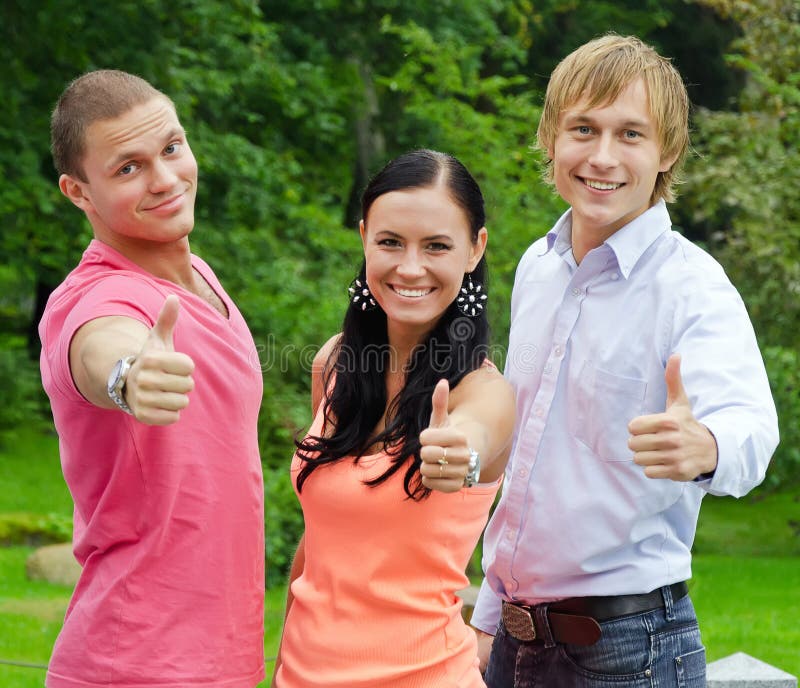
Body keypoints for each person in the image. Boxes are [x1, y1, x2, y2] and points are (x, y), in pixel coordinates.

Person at [472, 34, 779, 687]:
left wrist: (707, 447)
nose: (603, 157)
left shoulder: (692, 287)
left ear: (666, 151)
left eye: (631, 134)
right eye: (583, 129)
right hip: (515, 640)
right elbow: (526, 463)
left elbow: (752, 429)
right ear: (551, 138)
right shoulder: (538, 266)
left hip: (628, 651)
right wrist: (491, 610)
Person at [38, 70, 265, 688]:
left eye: (171, 148)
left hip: (222, 659)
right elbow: (101, 343)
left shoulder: (202, 277)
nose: (166, 180)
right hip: (131, 663)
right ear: (77, 191)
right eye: (128, 168)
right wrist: (128, 375)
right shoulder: (95, 297)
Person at [272, 149, 516, 687]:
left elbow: (474, 435)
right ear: (364, 238)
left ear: (475, 249)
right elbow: (319, 546)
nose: (410, 267)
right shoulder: (335, 365)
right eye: (390, 242)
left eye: (436, 246)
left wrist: (459, 454)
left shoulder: (486, 392)